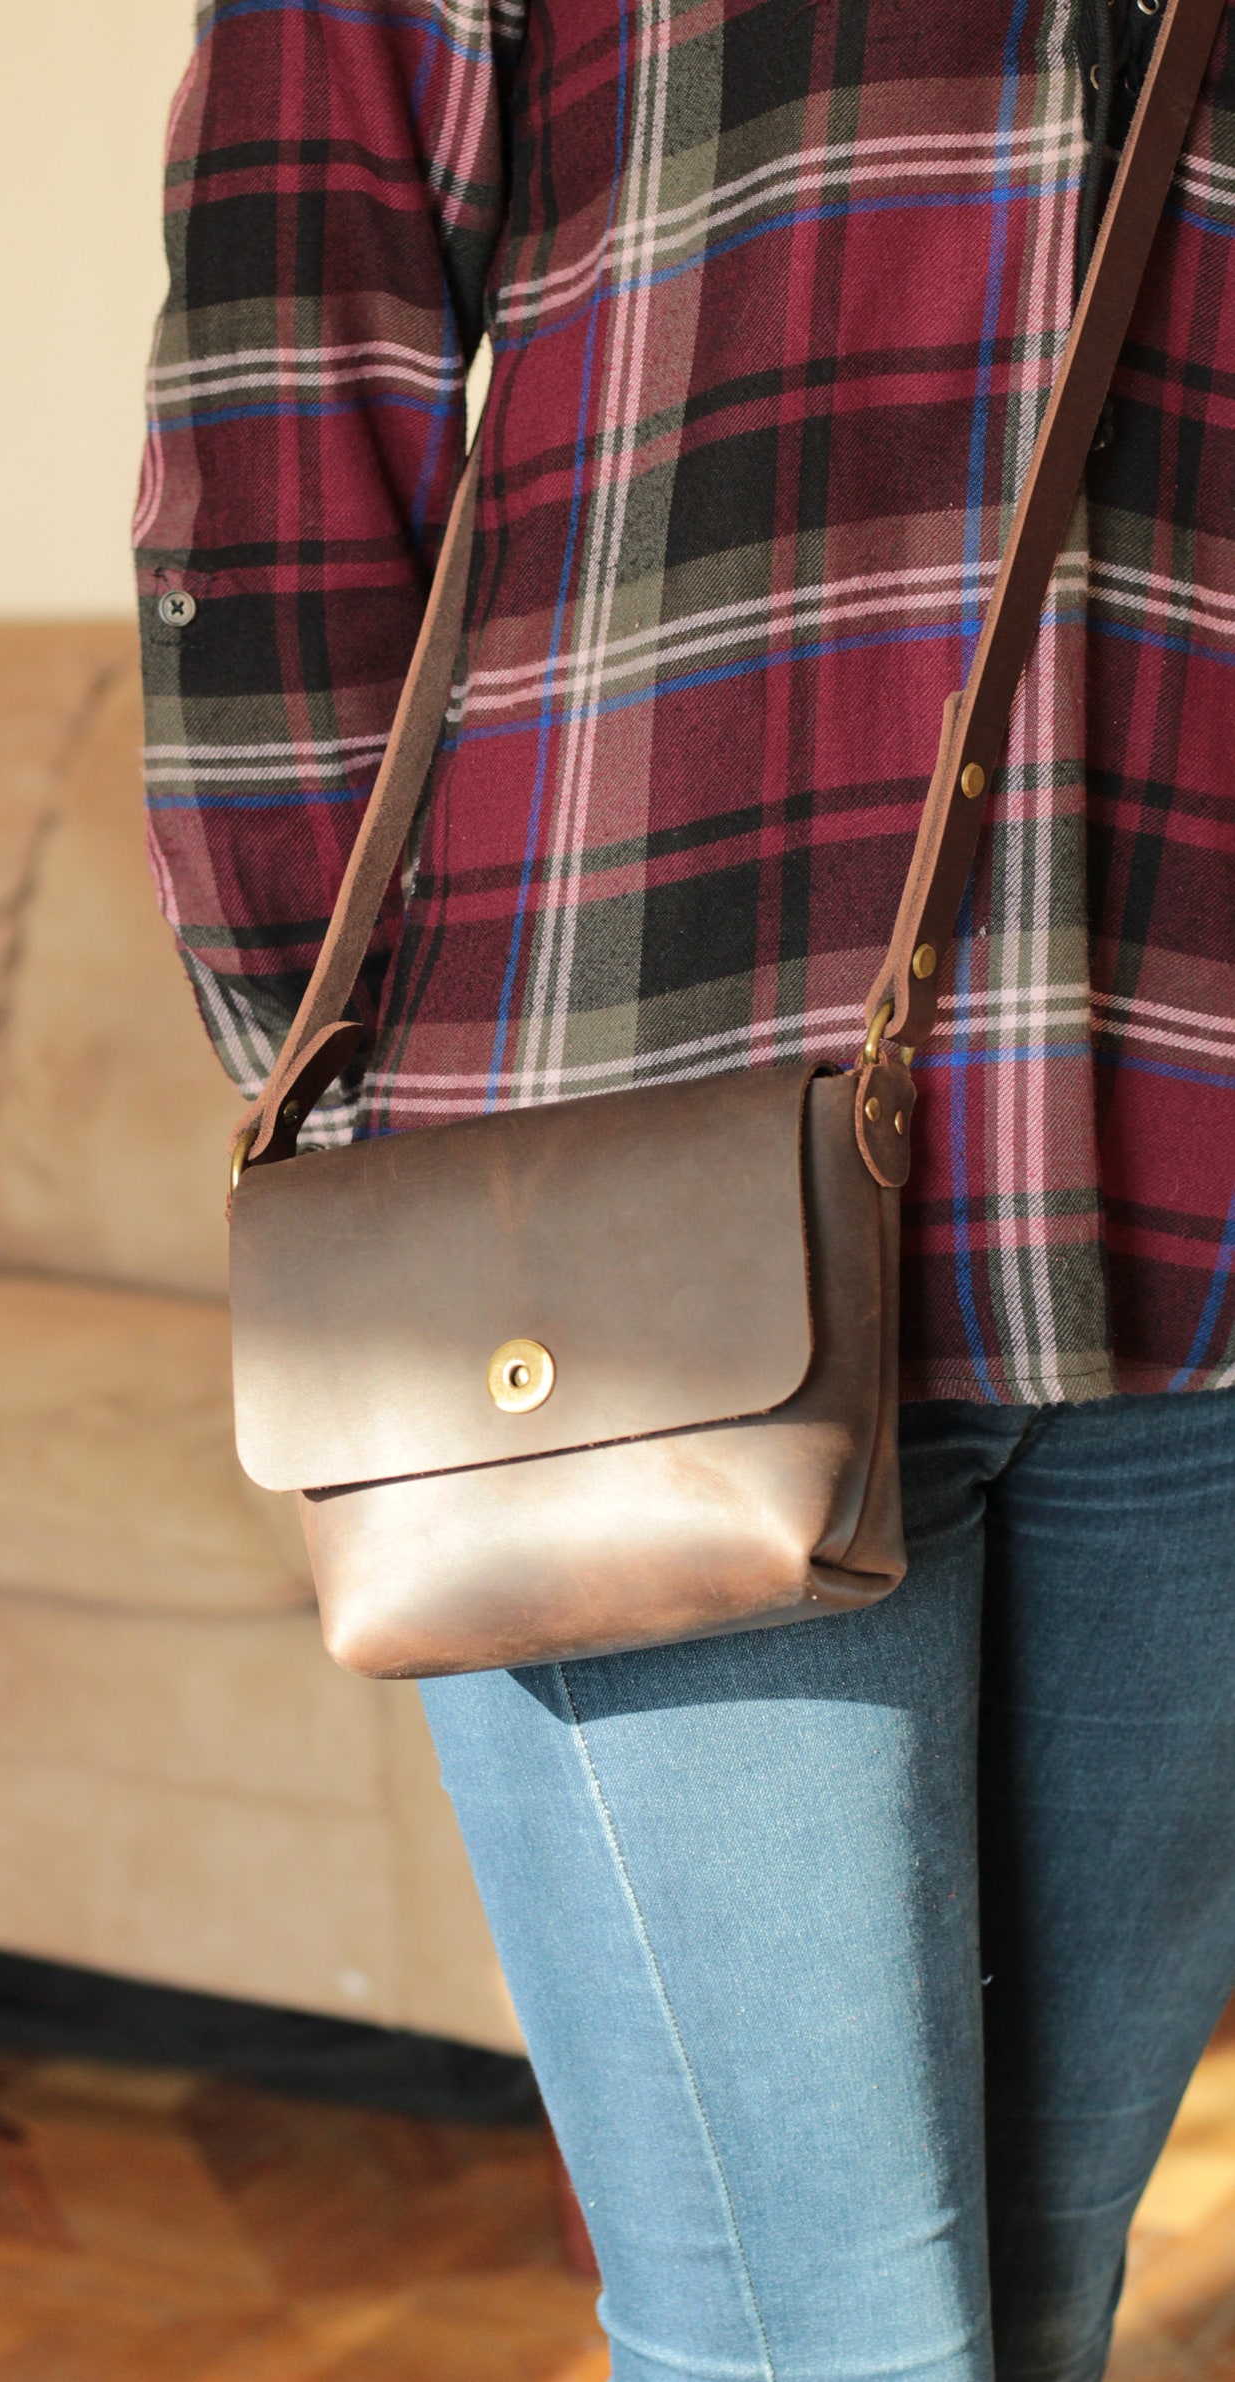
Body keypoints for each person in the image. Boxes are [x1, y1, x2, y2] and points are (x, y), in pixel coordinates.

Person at [134, 0, 1235, 2369]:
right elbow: (277, 396)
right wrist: (350, 1103)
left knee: (1022, 2295)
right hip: (631, 1215)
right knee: (816, 2333)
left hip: (1199, 1223)